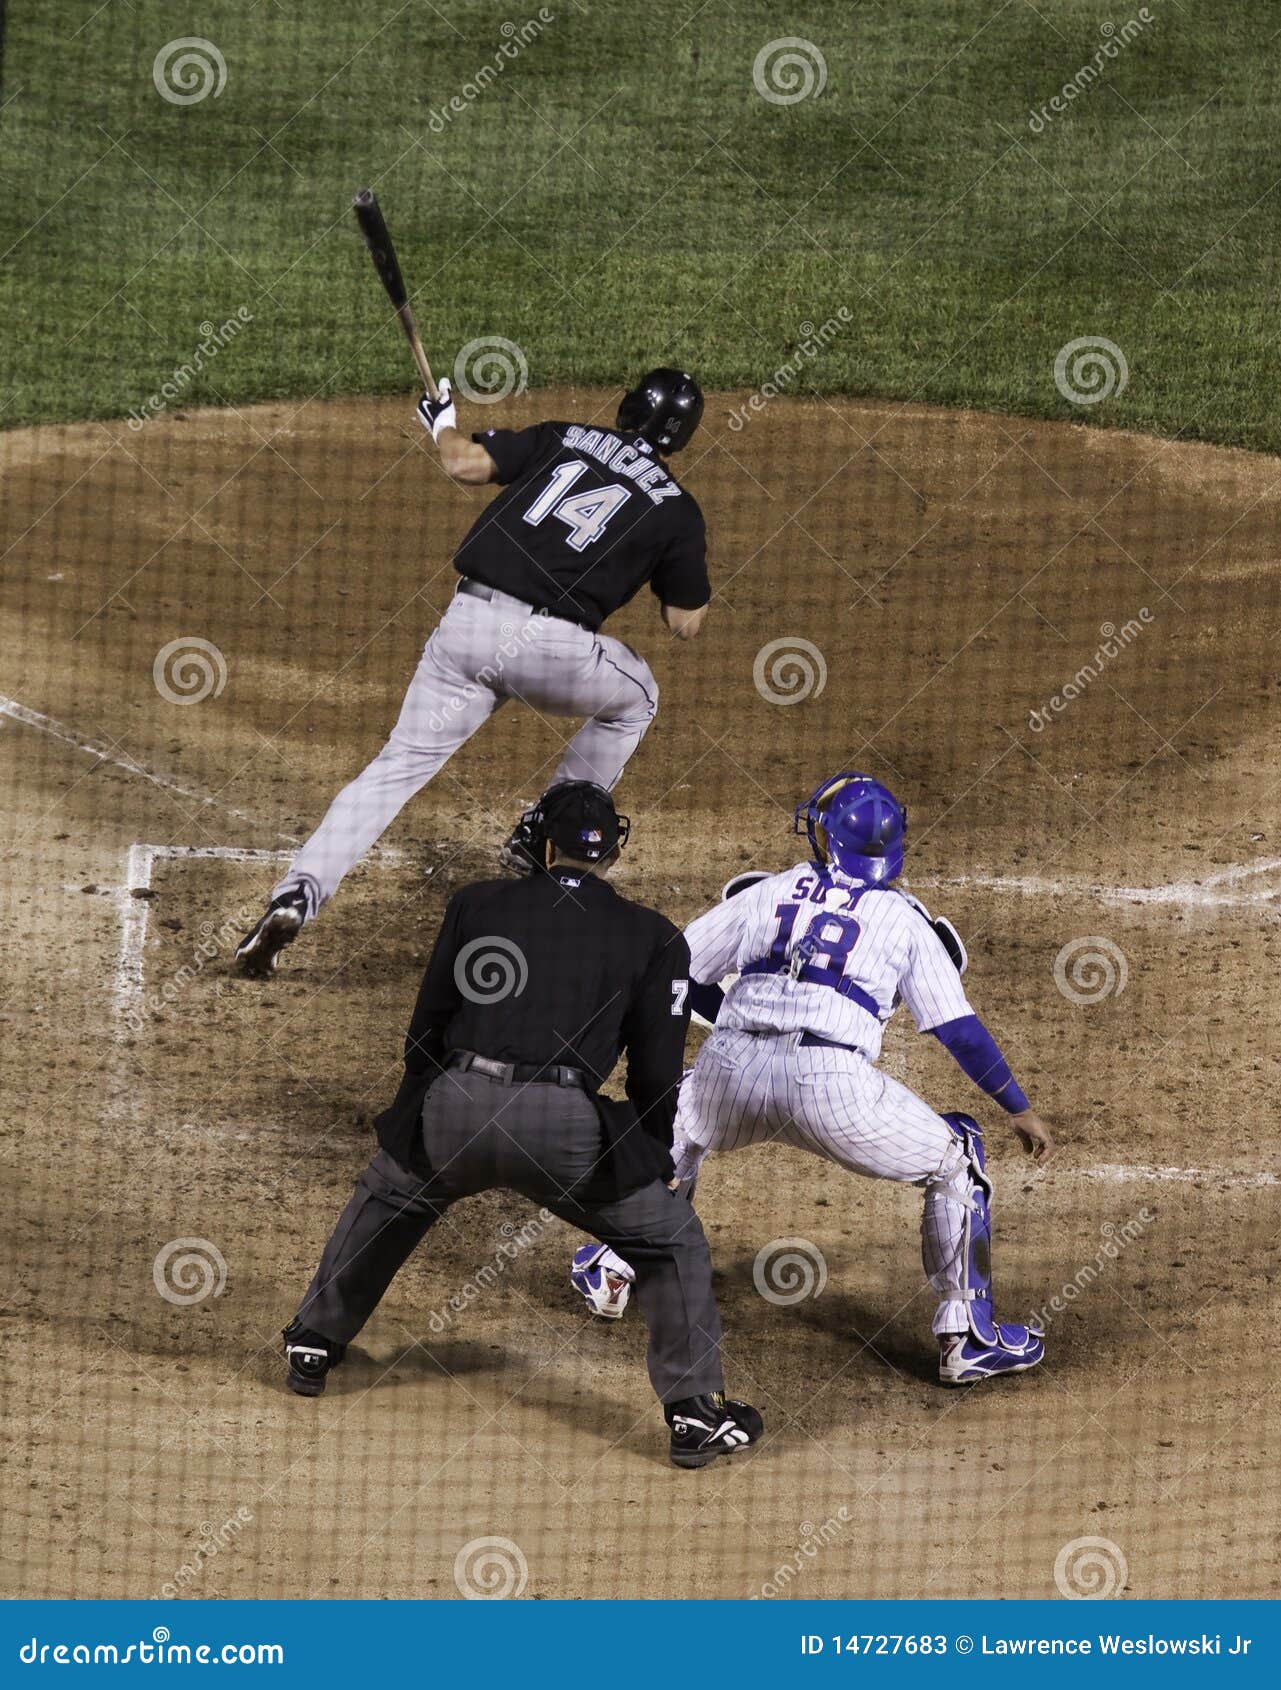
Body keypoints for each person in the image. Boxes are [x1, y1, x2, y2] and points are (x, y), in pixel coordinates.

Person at [280, 781, 762, 1469]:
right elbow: (656, 1072)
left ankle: (311, 1345)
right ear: (614, 851)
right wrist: (650, 1157)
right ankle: (692, 1416)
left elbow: (426, 1029)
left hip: (454, 1104)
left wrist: (413, 1120)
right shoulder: (652, 936)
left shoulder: (476, 903)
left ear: (540, 843)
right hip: (563, 1128)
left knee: (390, 1193)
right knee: (670, 1237)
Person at [570, 771, 1057, 1386]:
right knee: (957, 1155)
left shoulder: (772, 890)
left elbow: (673, 966)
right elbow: (957, 1029)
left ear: (828, 841)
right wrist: (1016, 1106)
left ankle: (614, 1266)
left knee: (679, 1119)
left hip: (733, 1069)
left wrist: (739, 1022)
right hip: (835, 1089)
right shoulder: (904, 920)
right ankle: (969, 1337)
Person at [237, 368, 710, 978]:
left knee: (394, 769)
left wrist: (444, 423)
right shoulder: (678, 510)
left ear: (625, 409)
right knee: (637, 694)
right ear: (682, 436)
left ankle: (297, 894)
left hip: (468, 626)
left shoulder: (563, 436)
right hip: (551, 651)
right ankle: (544, 828)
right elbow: (683, 621)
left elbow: (463, 465)